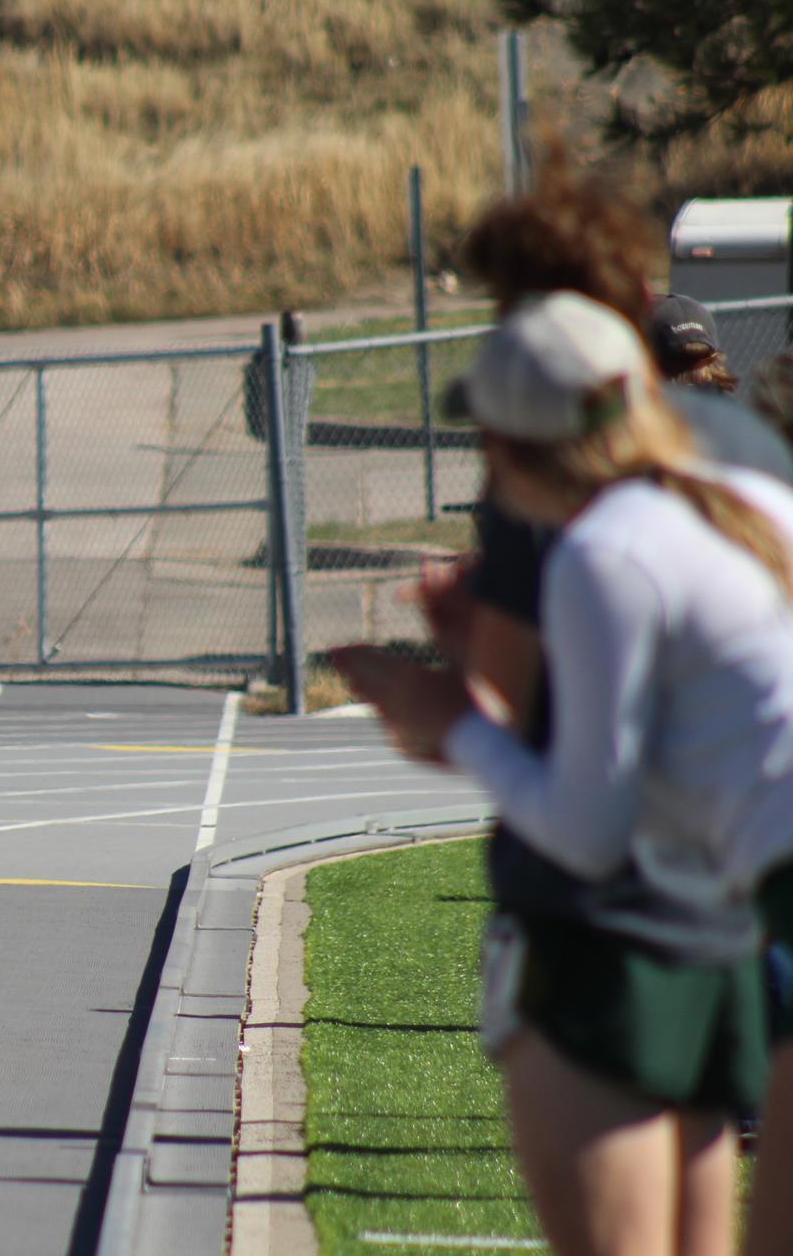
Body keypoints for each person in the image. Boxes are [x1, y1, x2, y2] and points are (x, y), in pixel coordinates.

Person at [337, 290, 793, 1256]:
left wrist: (452, 722)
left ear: (511, 448)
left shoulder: (605, 550)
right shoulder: (739, 504)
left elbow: (587, 830)